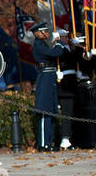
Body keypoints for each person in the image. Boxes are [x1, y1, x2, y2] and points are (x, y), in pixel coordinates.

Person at [30, 22, 70, 151]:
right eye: (45, 31)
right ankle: (43, 144)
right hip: (45, 78)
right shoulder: (38, 45)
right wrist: (58, 43)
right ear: (38, 33)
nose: (47, 33)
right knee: (44, 112)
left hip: (50, 77)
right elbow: (55, 53)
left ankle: (49, 142)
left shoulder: (43, 44)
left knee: (51, 111)